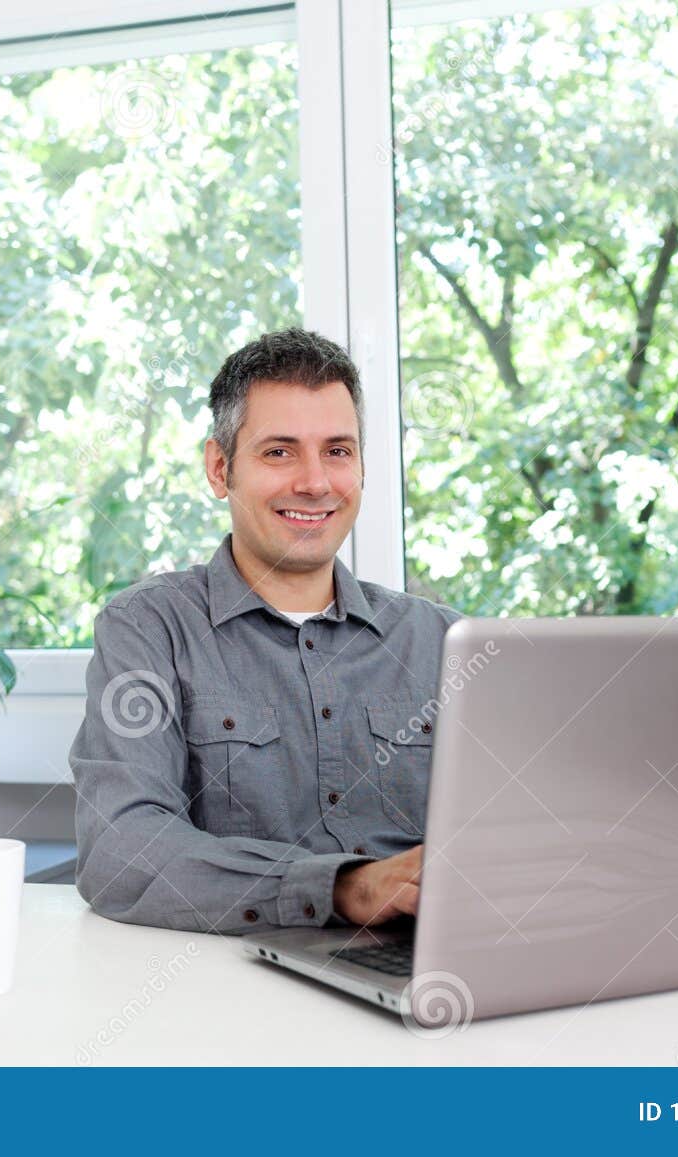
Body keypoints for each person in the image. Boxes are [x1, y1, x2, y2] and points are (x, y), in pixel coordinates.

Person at [70, 328, 461, 933]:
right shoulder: (148, 629)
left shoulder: (444, 642)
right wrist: (343, 888)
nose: (315, 482)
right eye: (280, 452)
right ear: (220, 468)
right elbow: (122, 852)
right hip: (231, 973)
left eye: (338, 451)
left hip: (432, 962)